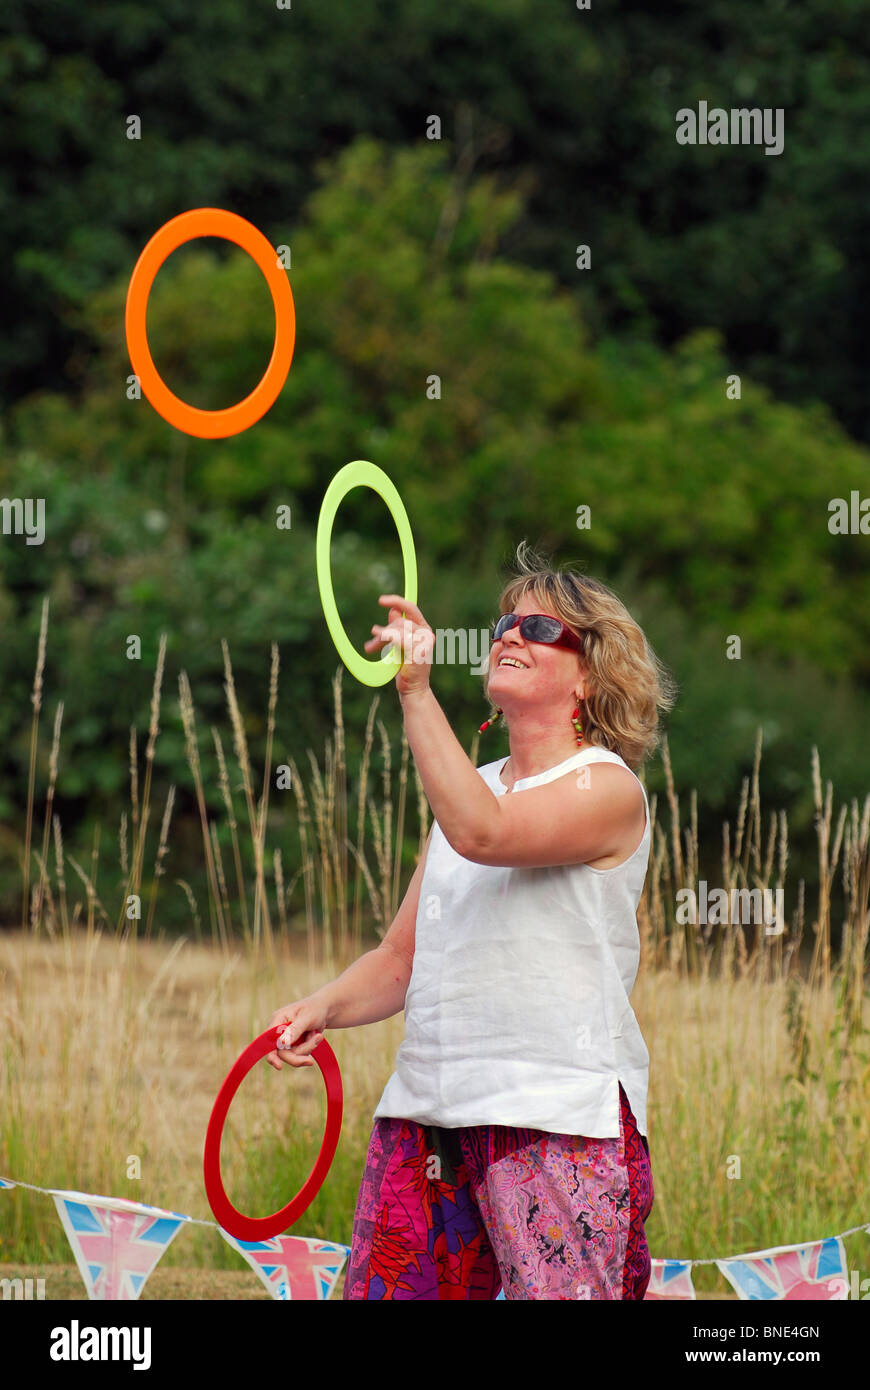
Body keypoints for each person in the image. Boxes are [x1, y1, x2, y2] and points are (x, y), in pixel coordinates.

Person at [266, 540, 676, 1300]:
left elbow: (484, 834)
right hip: (430, 1113)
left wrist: (416, 694)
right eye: (505, 623)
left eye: (543, 629)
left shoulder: (609, 789)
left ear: (591, 673)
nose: (511, 634)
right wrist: (321, 1005)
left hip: (558, 1122)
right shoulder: (472, 790)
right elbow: (399, 958)